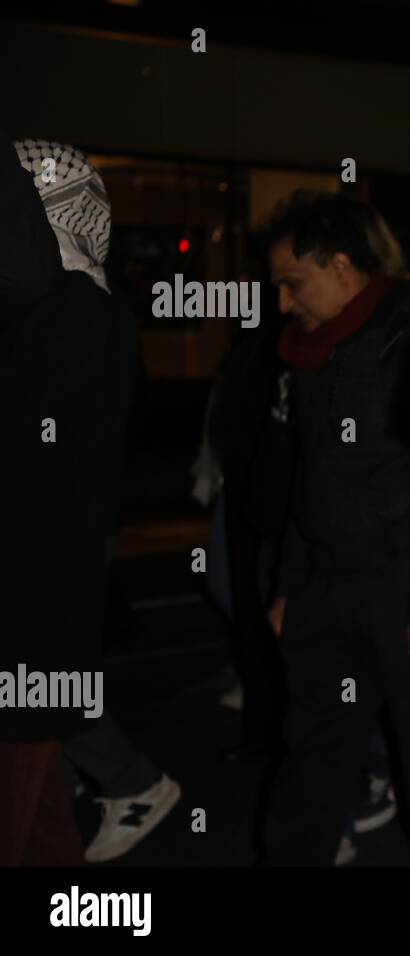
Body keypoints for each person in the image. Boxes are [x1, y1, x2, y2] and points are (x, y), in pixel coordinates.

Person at [260, 190, 410, 866]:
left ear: (342, 266)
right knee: (313, 750)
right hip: (329, 591)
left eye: (294, 284)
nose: (285, 303)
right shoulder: (314, 350)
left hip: (403, 592)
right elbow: (312, 478)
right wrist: (291, 587)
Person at [0, 133, 110, 864]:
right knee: (41, 822)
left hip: (32, 604)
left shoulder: (70, 310)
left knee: (20, 794)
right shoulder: (72, 305)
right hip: (41, 601)